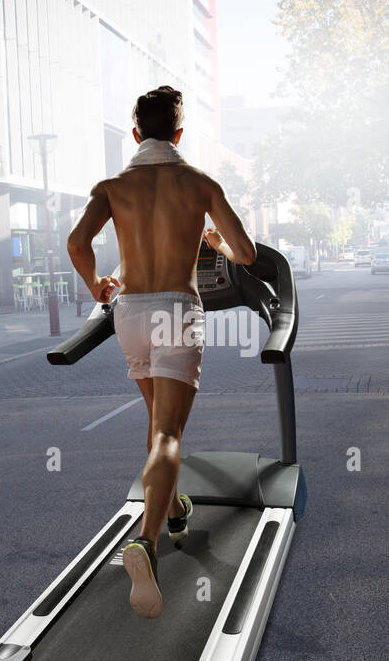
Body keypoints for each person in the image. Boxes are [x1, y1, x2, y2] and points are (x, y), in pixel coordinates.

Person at [67, 86, 256, 619]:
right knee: (169, 434)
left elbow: (77, 244)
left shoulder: (112, 186)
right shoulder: (199, 183)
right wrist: (214, 243)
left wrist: (96, 288)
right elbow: (245, 252)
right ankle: (145, 543)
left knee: (156, 427)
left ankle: (173, 508)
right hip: (176, 307)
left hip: (129, 312)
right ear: (178, 134)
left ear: (134, 134)